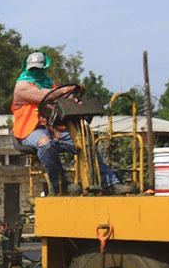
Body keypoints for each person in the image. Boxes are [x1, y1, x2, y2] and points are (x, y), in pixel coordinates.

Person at [12, 50, 131, 195]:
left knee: (85, 142)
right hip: (30, 130)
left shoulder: (49, 84)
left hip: (53, 129)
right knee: (45, 143)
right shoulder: (22, 86)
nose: (36, 71)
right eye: (33, 69)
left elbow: (58, 99)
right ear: (28, 68)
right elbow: (44, 97)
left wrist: (73, 99)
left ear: (44, 68)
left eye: (38, 68)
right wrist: (67, 90)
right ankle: (59, 185)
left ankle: (110, 182)